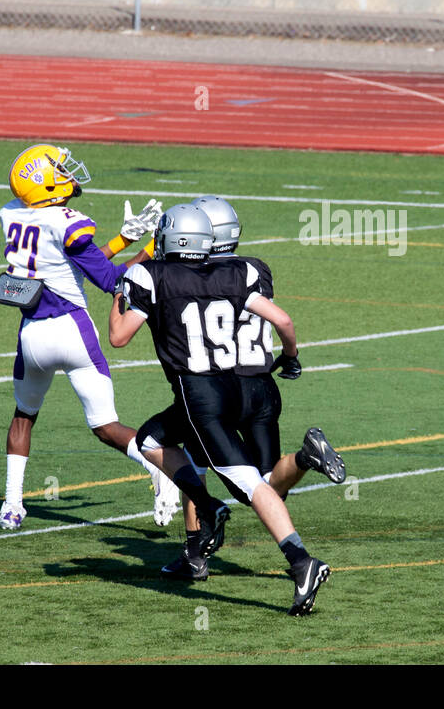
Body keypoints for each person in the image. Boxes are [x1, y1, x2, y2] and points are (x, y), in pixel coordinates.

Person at [0, 144, 219, 542]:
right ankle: (158, 470)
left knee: (23, 416)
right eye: (59, 169)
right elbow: (112, 280)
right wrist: (150, 248)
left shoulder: (13, 214)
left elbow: (74, 259)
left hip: (31, 334)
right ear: (45, 183)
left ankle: (11, 506)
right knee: (105, 426)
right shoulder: (68, 222)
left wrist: (122, 238)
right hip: (72, 331)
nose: (68, 173)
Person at [109, 203, 332, 616]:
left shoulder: (151, 275)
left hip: (202, 395)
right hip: (241, 382)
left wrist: (120, 291)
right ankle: (206, 514)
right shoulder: (231, 273)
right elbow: (281, 319)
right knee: (150, 438)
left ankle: (301, 562)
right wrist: (292, 355)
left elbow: (118, 337)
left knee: (252, 486)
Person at [159, 195, 345, 582]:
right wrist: (290, 355)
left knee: (206, 466)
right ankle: (304, 459)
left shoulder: (198, 274)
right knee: (266, 482)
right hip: (261, 381)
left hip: (218, 381)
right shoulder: (255, 268)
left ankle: (196, 552)